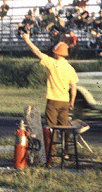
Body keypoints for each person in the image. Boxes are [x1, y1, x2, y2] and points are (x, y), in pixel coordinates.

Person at [22, 32, 79, 160]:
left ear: (57, 53)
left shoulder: (52, 63)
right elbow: (74, 87)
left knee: (51, 128)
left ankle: (51, 154)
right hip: (65, 101)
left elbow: (37, 52)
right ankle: (66, 152)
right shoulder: (70, 68)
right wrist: (72, 102)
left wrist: (27, 40)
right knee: (64, 127)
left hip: (53, 101)